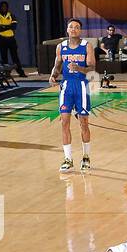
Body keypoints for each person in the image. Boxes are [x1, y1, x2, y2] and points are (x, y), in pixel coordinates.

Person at [49, 19, 95, 172]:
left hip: (81, 86)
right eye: (71, 27)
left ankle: (86, 156)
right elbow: (57, 65)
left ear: (80, 30)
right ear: (67, 30)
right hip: (66, 86)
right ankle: (68, 159)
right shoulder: (60, 47)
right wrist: (53, 75)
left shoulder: (86, 46)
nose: (74, 29)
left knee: (83, 123)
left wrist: (78, 68)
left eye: (77, 27)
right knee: (64, 122)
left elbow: (92, 69)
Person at [0, 2, 26, 78]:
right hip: (2, 39)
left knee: (15, 57)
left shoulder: (11, 15)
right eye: (2, 7)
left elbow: (14, 26)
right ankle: (6, 74)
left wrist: (4, 27)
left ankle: (21, 72)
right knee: (4, 57)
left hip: (11, 39)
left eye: (5, 6)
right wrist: (8, 26)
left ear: (7, 7)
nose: (4, 8)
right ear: (0, 8)